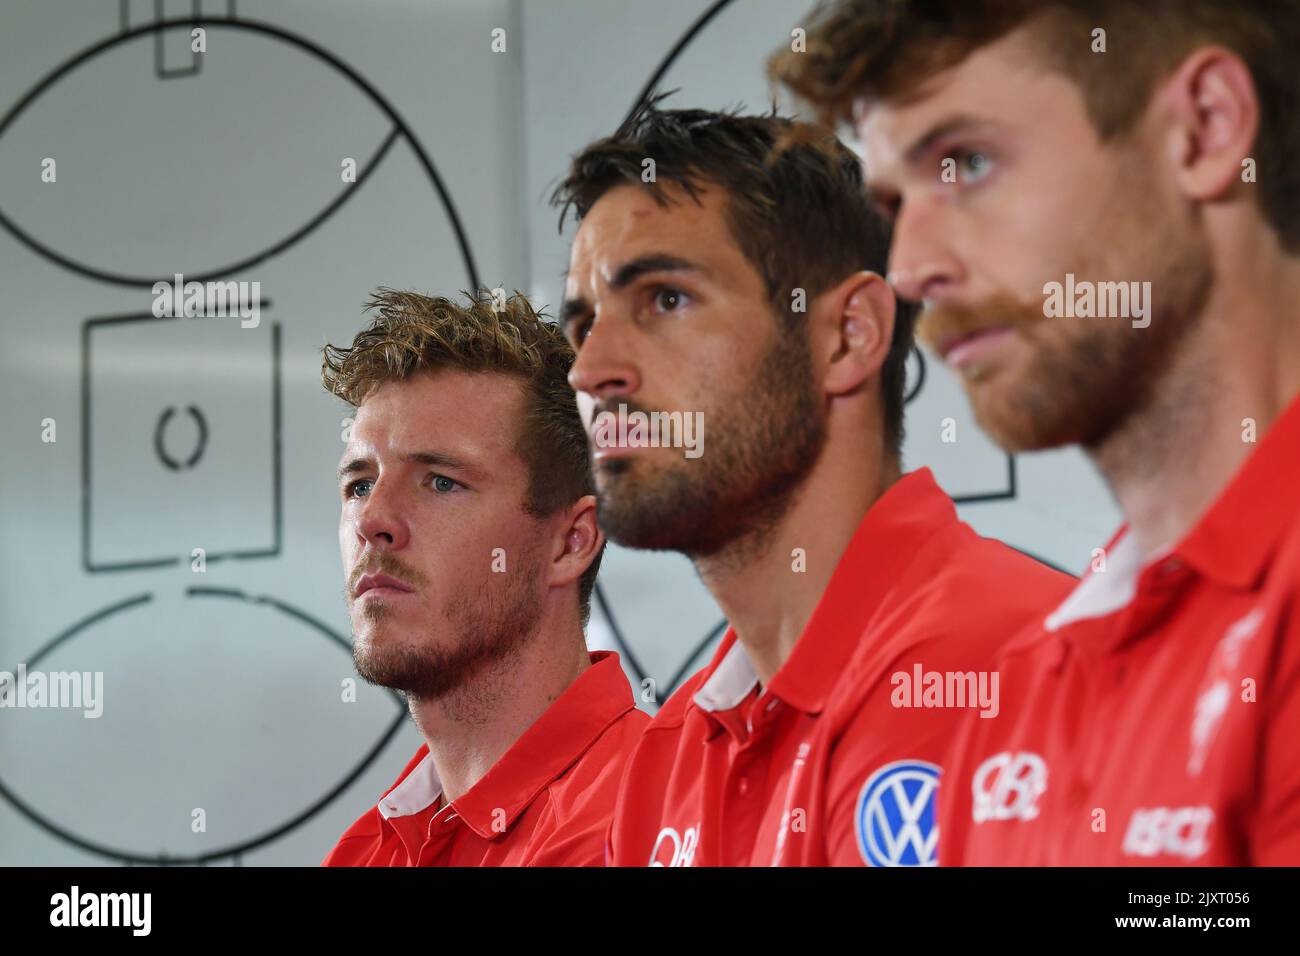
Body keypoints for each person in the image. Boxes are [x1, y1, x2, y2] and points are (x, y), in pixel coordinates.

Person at [773, 0, 1300, 864]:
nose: (909, 267)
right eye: (899, 201)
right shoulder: (1032, 679)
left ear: (1204, 130)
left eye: (967, 162)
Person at [553, 103, 1072, 866]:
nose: (590, 370)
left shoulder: (1034, 673)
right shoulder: (662, 767)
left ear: (848, 334)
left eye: (665, 299)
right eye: (581, 325)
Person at [319, 289, 647, 866]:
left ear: (570, 542)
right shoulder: (364, 854)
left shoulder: (663, 815)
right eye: (360, 484)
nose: (373, 521)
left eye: (441, 481)